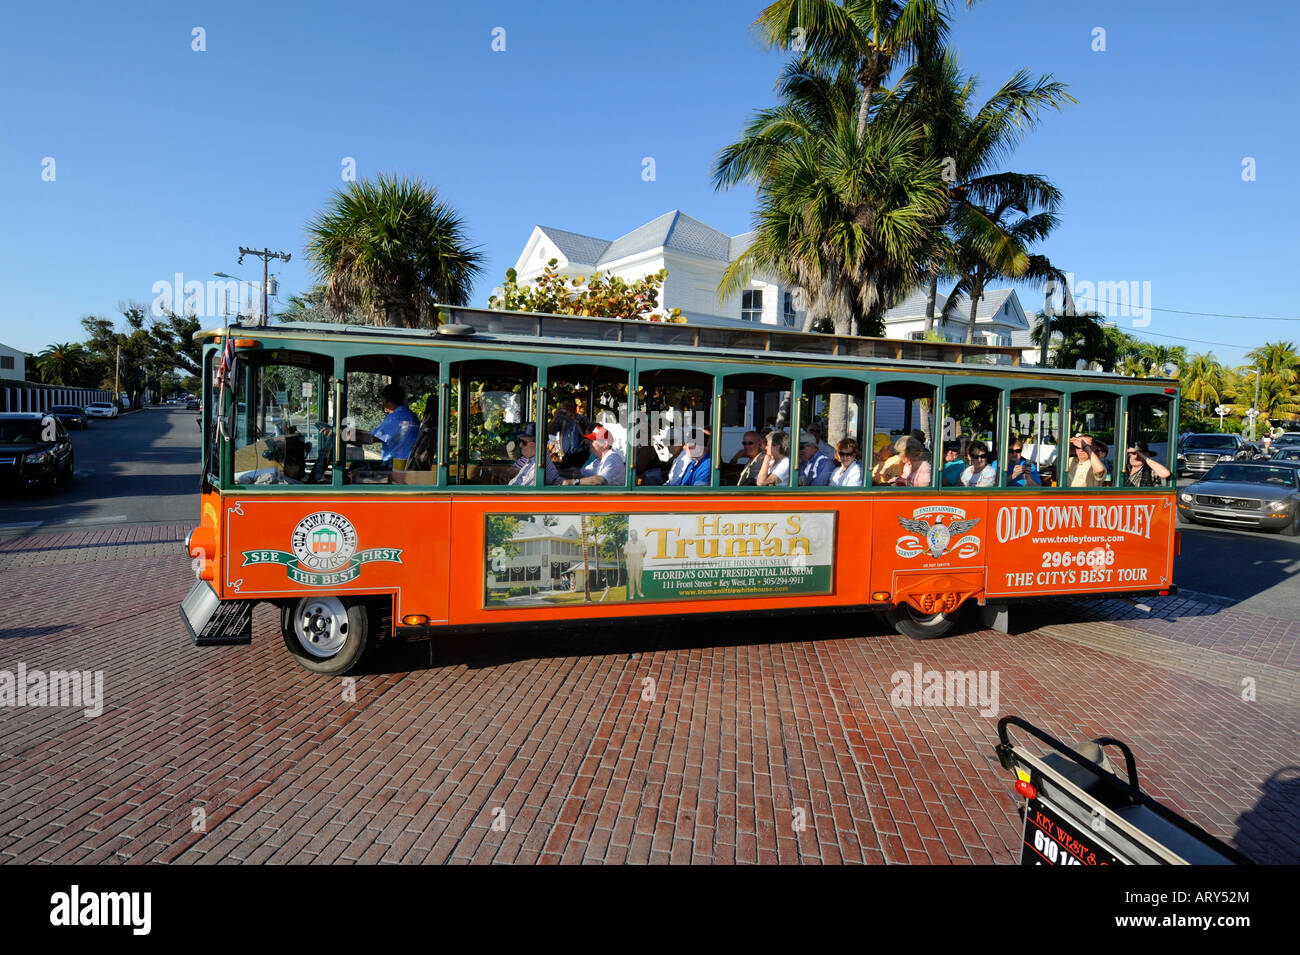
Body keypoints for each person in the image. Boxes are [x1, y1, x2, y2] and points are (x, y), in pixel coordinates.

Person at [353, 384, 419, 466]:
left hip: (395, 466)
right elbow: (378, 435)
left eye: (382, 399)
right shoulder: (411, 415)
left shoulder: (395, 417)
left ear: (386, 400)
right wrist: (355, 432)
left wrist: (349, 436)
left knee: (355, 466)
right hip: (409, 464)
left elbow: (372, 438)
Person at [548, 396, 590, 471]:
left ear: (575, 407)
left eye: (569, 406)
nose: (567, 409)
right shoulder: (561, 420)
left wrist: (575, 419)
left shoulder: (583, 419)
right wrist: (554, 418)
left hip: (581, 455)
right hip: (567, 456)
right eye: (564, 407)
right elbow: (549, 431)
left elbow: (586, 436)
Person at [623, 530, 647, 599]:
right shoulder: (627, 543)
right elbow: (625, 554)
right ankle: (631, 594)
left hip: (639, 564)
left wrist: (639, 557)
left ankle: (639, 592)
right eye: (632, 535)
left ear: (637, 534)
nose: (634, 536)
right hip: (630, 564)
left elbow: (644, 552)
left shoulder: (641, 543)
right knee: (631, 580)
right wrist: (628, 564)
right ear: (630, 536)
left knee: (638, 579)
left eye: (635, 534)